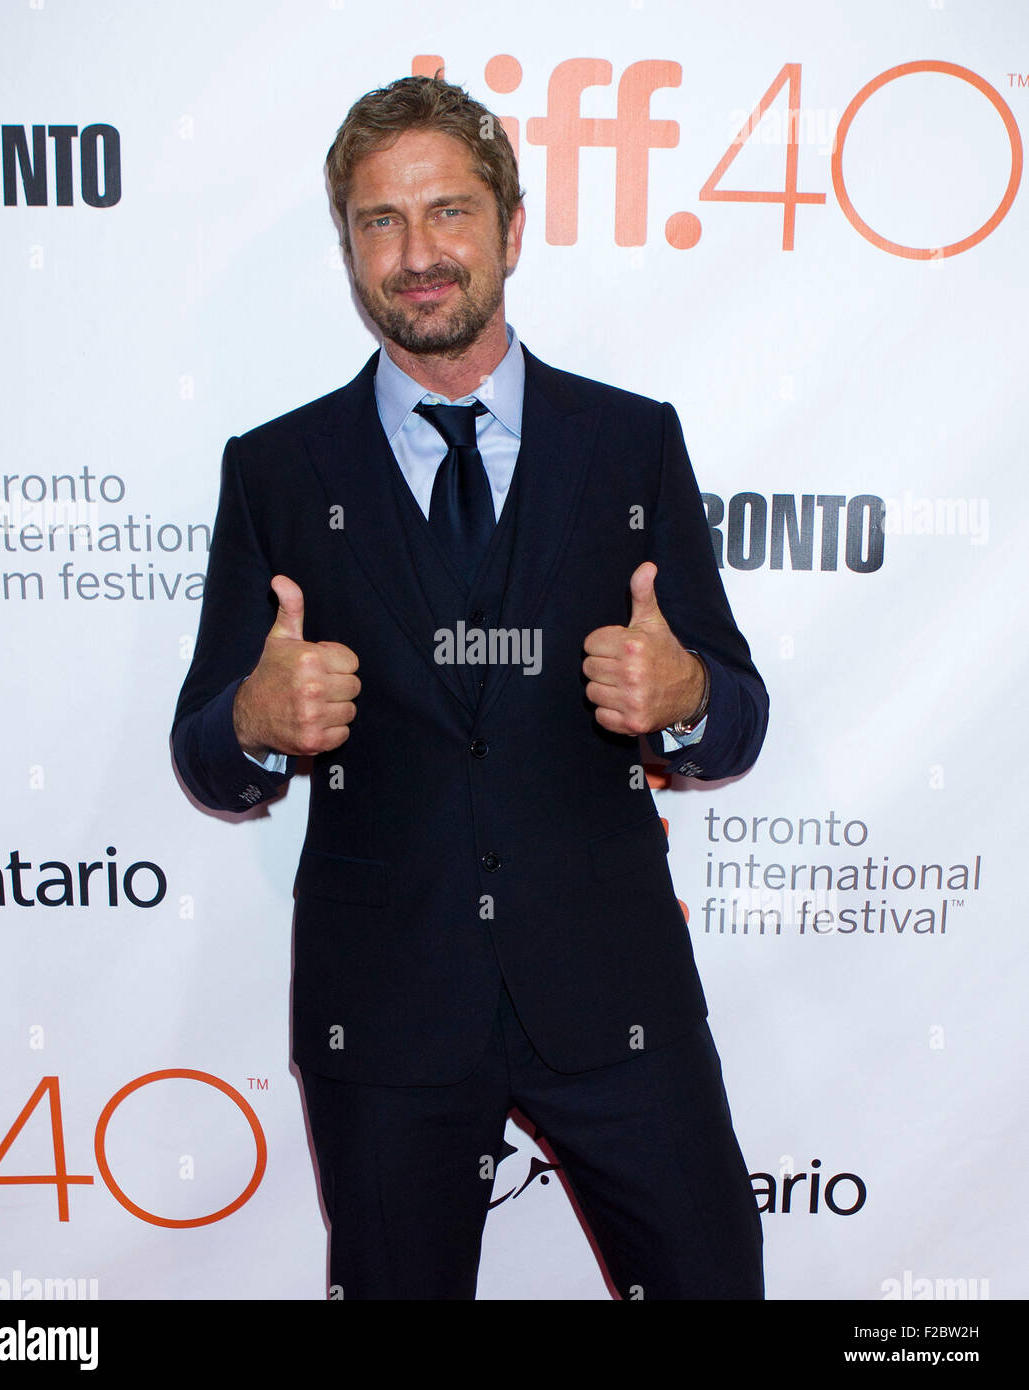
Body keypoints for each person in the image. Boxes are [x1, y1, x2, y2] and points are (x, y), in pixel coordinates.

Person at [172, 75, 768, 1301]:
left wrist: (685, 693)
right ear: (346, 244)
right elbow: (204, 750)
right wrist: (253, 723)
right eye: (380, 222)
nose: (418, 253)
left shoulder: (629, 442)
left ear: (510, 226)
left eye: (447, 211)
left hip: (612, 993)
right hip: (383, 1010)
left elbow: (736, 719)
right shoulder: (277, 469)